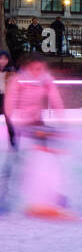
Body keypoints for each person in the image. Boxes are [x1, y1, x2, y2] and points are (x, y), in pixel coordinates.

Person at [0, 54, 65, 215]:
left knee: (49, 157)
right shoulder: (18, 80)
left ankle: (54, 194)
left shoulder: (46, 79)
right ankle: (3, 196)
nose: (39, 71)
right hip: (18, 122)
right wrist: (16, 122)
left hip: (36, 121)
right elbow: (10, 103)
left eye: (41, 68)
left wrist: (62, 118)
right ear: (28, 67)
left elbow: (55, 98)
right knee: (15, 159)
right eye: (35, 68)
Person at [0, 50, 16, 149]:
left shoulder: (10, 70)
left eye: (5, 59)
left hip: (5, 97)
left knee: (8, 119)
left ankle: (12, 139)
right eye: (1, 58)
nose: (3, 61)